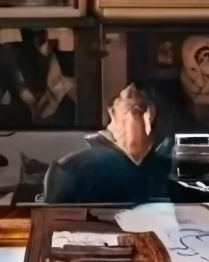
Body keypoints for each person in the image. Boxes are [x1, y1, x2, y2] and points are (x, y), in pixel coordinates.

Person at [42, 83, 177, 205]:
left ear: (148, 116)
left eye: (131, 110)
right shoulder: (75, 169)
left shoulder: (169, 170)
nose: (111, 109)